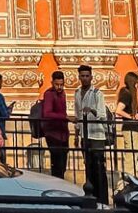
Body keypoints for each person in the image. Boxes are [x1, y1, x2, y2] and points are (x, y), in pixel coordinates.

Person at [75, 64, 113, 202]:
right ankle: (91, 197)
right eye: (82, 76)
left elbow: (102, 115)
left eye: (87, 76)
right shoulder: (77, 93)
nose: (85, 79)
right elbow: (77, 115)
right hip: (85, 135)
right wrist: (76, 134)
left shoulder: (98, 94)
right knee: (88, 167)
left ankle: (102, 198)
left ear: (91, 77)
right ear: (79, 77)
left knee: (99, 167)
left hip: (97, 134)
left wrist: (90, 110)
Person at [40, 70, 70, 178]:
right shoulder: (49, 94)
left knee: (63, 163)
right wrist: (64, 117)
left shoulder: (63, 94)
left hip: (63, 133)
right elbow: (47, 113)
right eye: (57, 84)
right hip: (53, 133)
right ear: (52, 83)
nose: (59, 87)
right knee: (57, 164)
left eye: (61, 84)